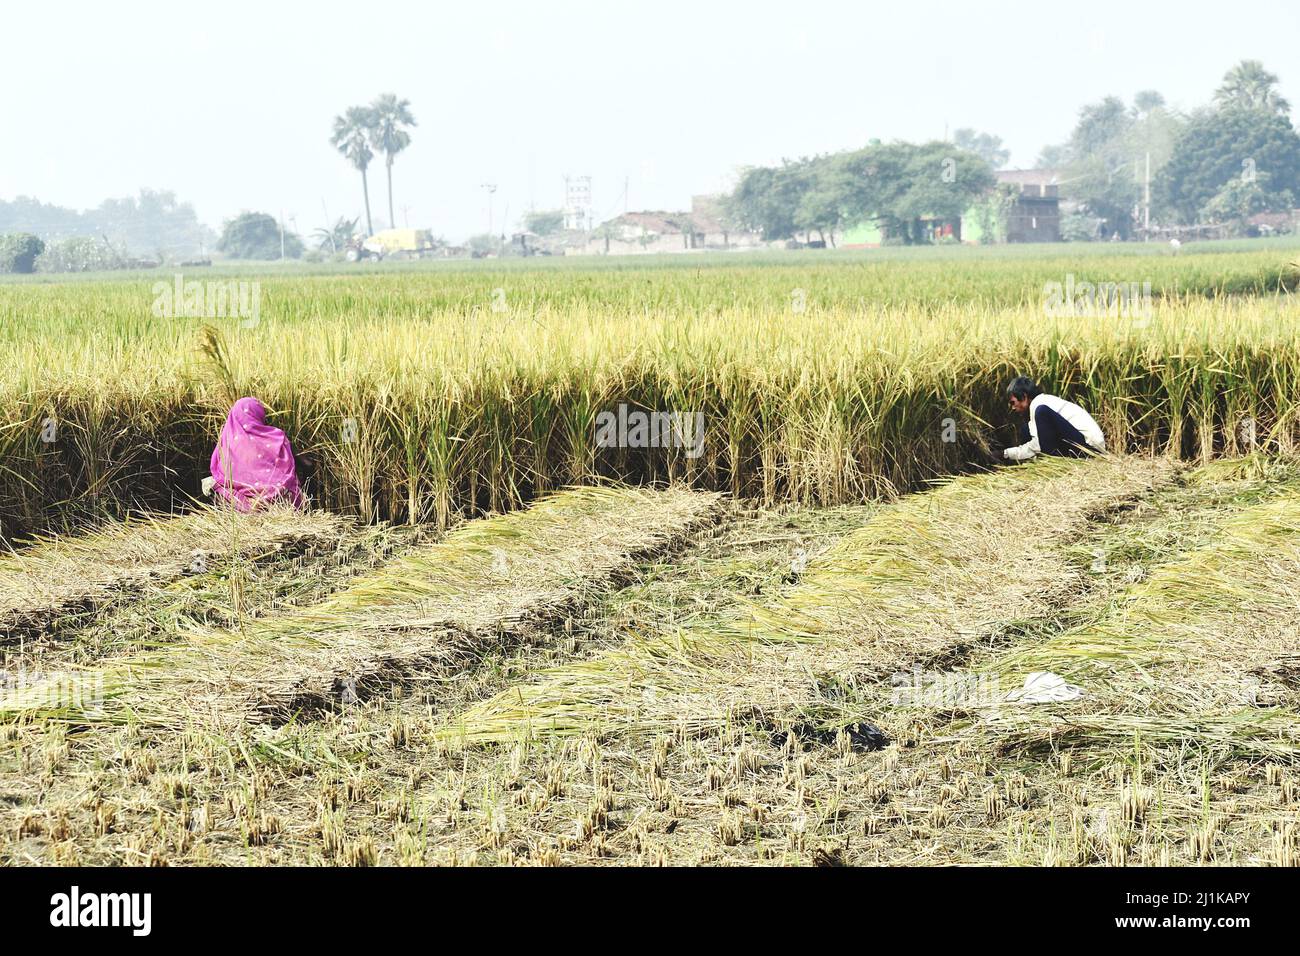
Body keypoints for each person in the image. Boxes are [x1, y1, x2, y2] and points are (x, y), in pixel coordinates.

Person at [208, 397, 303, 511]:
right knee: (292, 481)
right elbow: (291, 467)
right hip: (279, 498)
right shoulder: (275, 437)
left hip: (242, 502)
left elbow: (220, 473)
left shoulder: (228, 440)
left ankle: (249, 506)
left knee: (213, 483)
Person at [1001, 376, 1106, 462]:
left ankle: (1051, 464)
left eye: (1013, 402)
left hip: (1091, 451)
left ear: (1024, 397)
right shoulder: (1043, 401)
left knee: (1042, 412)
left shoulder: (1039, 406)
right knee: (1026, 429)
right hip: (1082, 446)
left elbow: (1036, 445)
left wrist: (1005, 453)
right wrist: (1007, 454)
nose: (1012, 408)